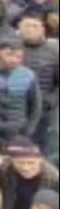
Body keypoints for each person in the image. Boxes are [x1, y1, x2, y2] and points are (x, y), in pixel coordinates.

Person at [0, 37, 44, 209]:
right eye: (9, 54)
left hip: (18, 133)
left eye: (18, 56)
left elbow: (36, 106)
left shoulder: (28, 75)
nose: (14, 59)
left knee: (14, 180)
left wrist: (27, 133)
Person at [19, 9, 59, 154]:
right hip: (17, 106)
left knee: (43, 147)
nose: (30, 30)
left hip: (45, 107)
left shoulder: (55, 50)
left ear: (43, 29)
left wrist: (51, 100)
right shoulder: (11, 48)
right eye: (27, 26)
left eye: (35, 26)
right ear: (19, 28)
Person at [0, 139, 58, 209]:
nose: (26, 168)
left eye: (31, 163)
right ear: (12, 161)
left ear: (41, 160)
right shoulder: (3, 167)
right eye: (20, 163)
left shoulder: (53, 178)